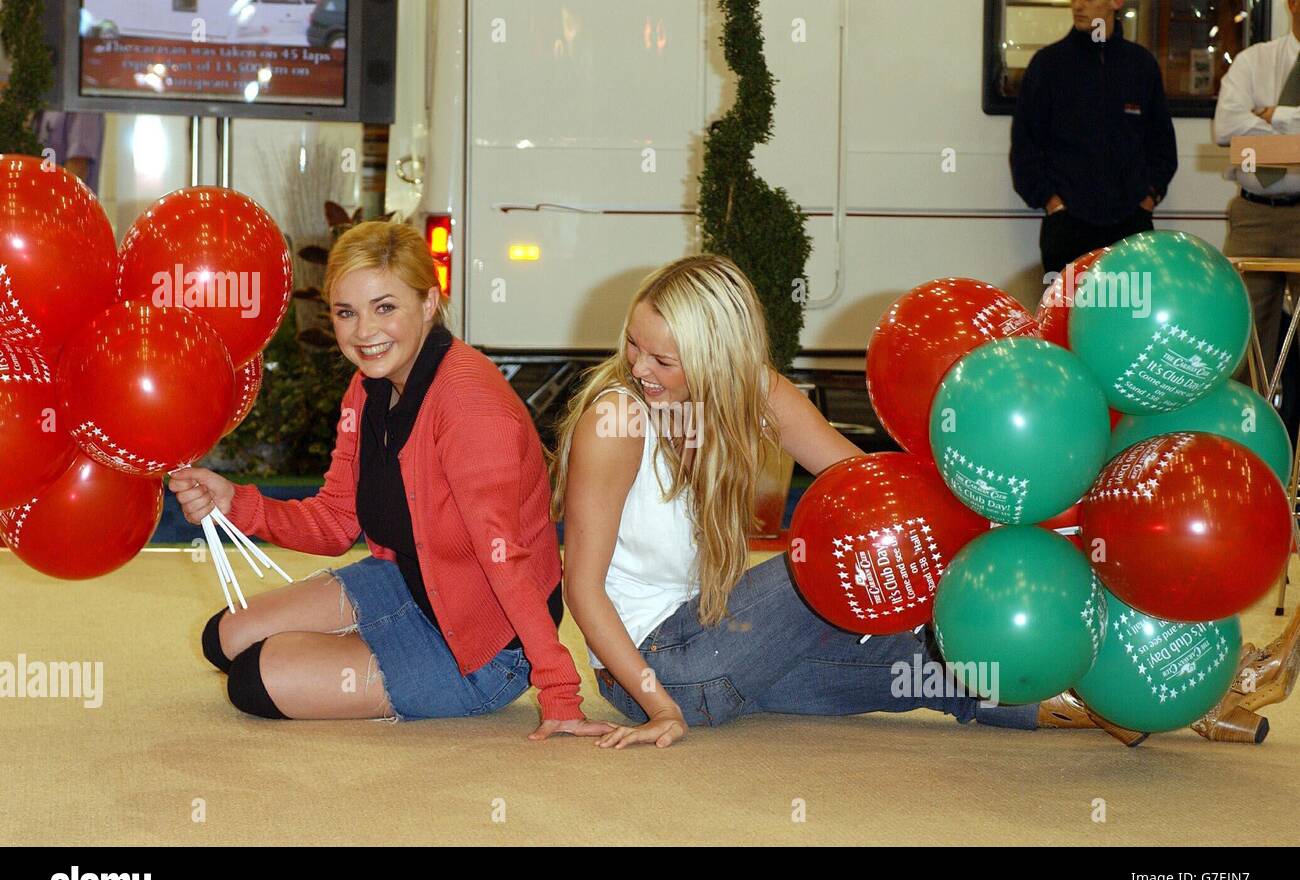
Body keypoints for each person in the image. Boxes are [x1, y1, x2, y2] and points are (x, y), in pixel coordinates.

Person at [550, 253, 1159, 750]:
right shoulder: (619, 419)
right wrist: (659, 705)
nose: (638, 368)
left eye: (663, 360)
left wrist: (993, 518)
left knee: (928, 667)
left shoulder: (754, 392)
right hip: (658, 665)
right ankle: (1096, 699)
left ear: (720, 362)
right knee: (815, 561)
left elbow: (869, 488)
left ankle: (1115, 701)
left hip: (724, 663)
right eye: (633, 345)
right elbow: (582, 587)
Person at [169, 222, 613, 740]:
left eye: (385, 308)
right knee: (221, 639)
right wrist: (236, 502)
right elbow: (335, 522)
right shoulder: (367, 389)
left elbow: (504, 557)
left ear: (429, 303)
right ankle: (369, 641)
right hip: (407, 581)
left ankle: (412, 664)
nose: (363, 333)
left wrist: (559, 691)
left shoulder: (469, 406)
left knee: (252, 681)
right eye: (346, 312)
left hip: (483, 646)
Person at [1011, 0, 1177, 275]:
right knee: (1066, 317)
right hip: (1067, 230)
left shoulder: (1141, 65)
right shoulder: (1048, 65)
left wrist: (1147, 199)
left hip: (1131, 229)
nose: (1078, 5)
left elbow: (1163, 147)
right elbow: (1024, 146)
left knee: (1130, 316)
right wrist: (1053, 203)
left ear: (1116, 3)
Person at [1215, 0, 1300, 390]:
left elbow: (1247, 124)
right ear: (1292, 4)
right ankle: (1248, 439)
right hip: (1255, 216)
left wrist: (1272, 115)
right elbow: (1227, 127)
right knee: (1245, 339)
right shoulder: (1255, 61)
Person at [37, 111, 105, 194]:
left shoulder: (80, 106)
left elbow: (78, 164)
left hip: (64, 201)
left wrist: (55, 203)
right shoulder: (45, 106)